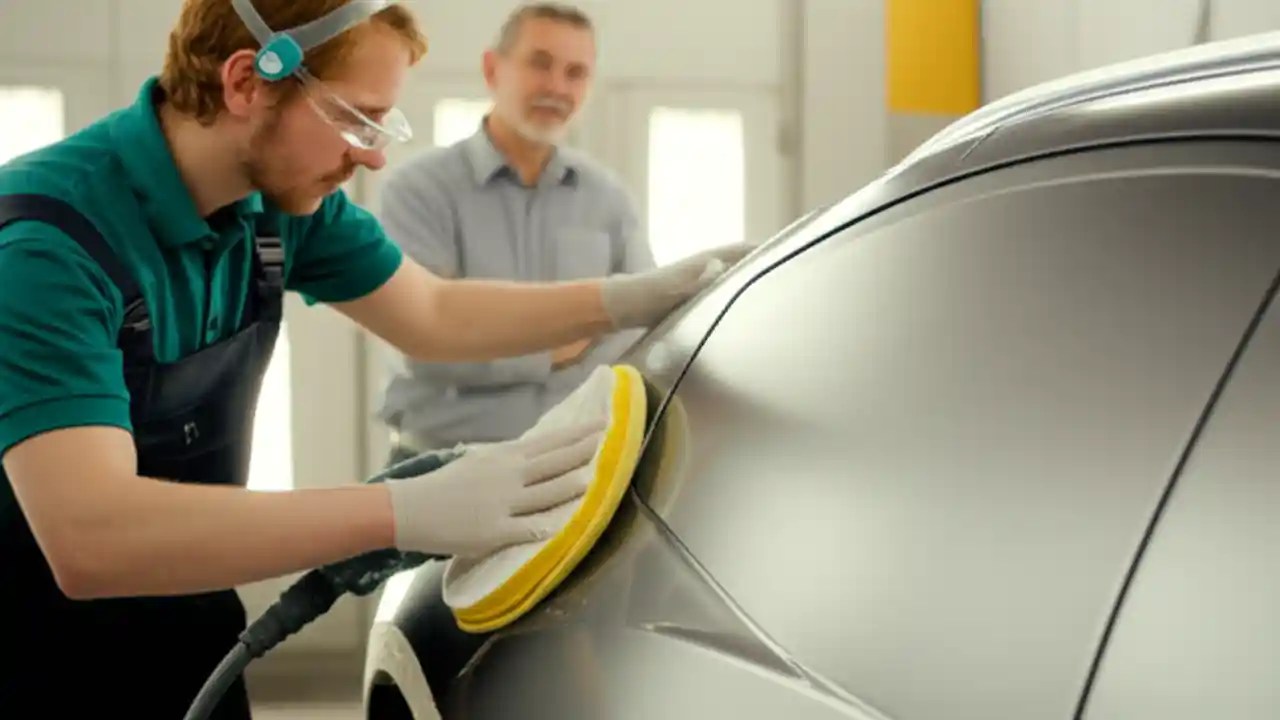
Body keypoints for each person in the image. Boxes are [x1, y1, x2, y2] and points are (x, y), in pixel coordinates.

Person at [0, 0, 749, 716]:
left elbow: (432, 313)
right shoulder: (47, 244)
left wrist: (627, 299)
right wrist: (398, 511)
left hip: (189, 613)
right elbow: (90, 537)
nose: (370, 155)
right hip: (34, 644)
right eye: (353, 117)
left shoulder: (278, 203)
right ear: (242, 81)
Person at [377, 3, 654, 459]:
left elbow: (640, 332)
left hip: (579, 467)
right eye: (540, 63)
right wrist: (555, 350)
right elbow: (421, 344)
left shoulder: (609, 199)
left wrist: (482, 341)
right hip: (439, 467)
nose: (557, 87)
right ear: (493, 69)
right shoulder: (418, 190)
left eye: (576, 72)